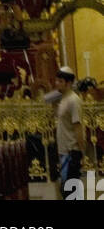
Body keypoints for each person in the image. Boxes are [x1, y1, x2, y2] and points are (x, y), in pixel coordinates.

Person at [42, 67, 86, 197]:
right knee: (67, 189)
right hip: (63, 150)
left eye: (60, 81)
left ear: (68, 83)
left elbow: (78, 127)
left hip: (71, 150)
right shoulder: (64, 98)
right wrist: (60, 91)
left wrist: (81, 151)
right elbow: (45, 99)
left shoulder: (73, 100)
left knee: (69, 190)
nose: (57, 83)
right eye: (56, 80)